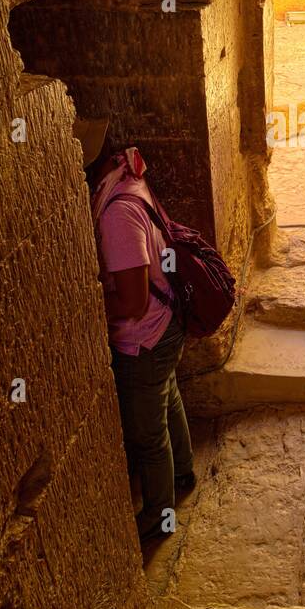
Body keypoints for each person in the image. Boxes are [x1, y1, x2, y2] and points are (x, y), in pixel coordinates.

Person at [74, 117, 195, 543]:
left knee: (147, 435)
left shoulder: (116, 215)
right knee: (168, 397)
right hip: (167, 323)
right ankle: (183, 474)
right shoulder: (129, 178)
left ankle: (161, 516)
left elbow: (132, 301)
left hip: (146, 335)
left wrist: (85, 309)